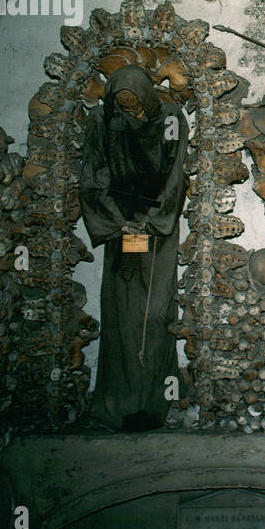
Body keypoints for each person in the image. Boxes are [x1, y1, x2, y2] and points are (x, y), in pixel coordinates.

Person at [78, 64, 188, 431]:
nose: (133, 113)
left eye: (137, 105)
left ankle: (154, 401)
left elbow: (175, 173)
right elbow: (93, 176)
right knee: (120, 315)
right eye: (124, 107)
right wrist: (117, 219)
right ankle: (119, 402)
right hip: (122, 233)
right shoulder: (103, 123)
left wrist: (155, 219)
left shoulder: (170, 119)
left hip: (157, 233)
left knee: (157, 314)